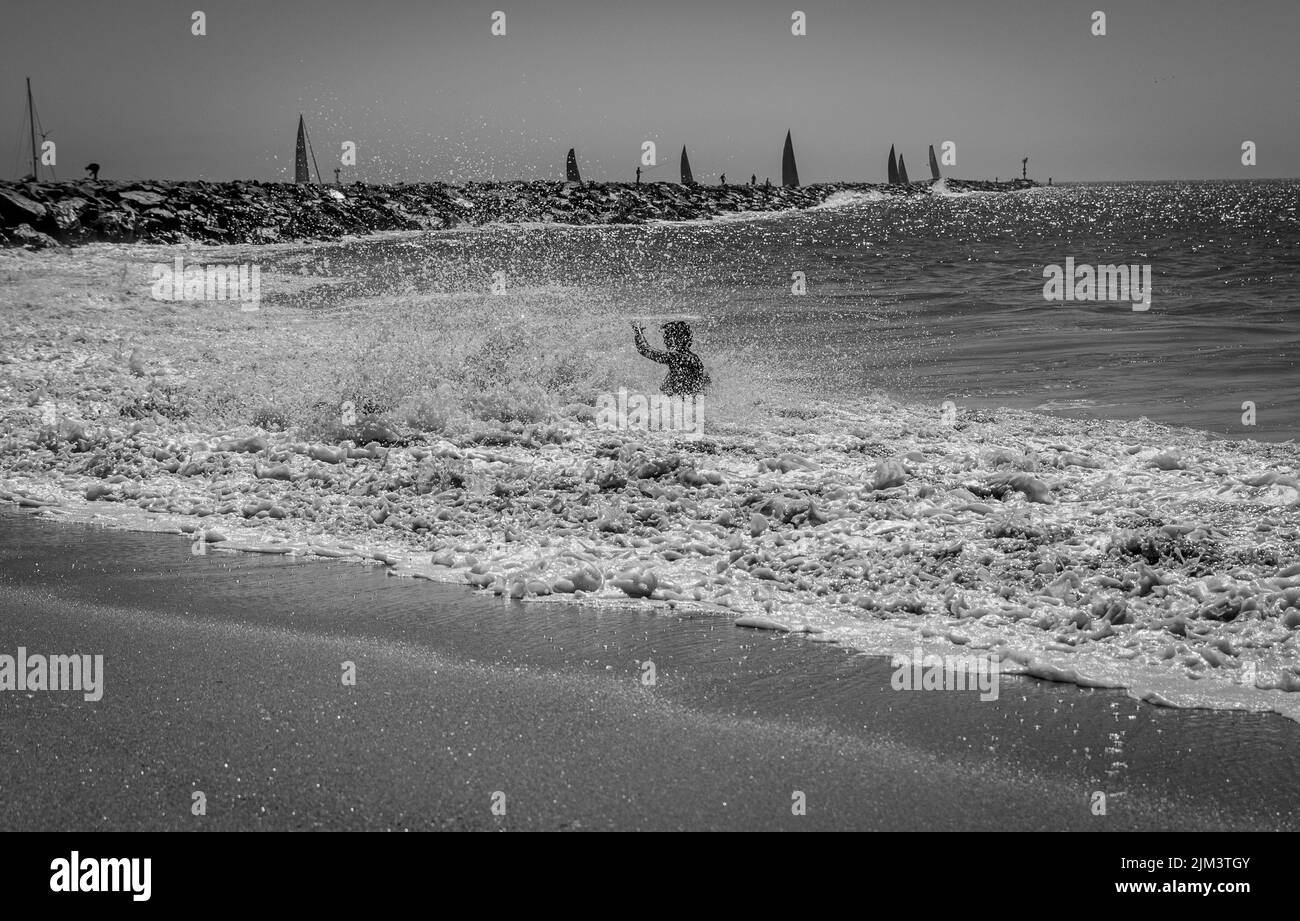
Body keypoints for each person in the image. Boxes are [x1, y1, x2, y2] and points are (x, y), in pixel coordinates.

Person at [632, 320, 710, 396]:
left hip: (679, 402)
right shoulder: (694, 358)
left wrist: (637, 331)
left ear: (675, 338)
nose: (665, 341)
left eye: (667, 337)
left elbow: (645, 350)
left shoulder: (676, 356)